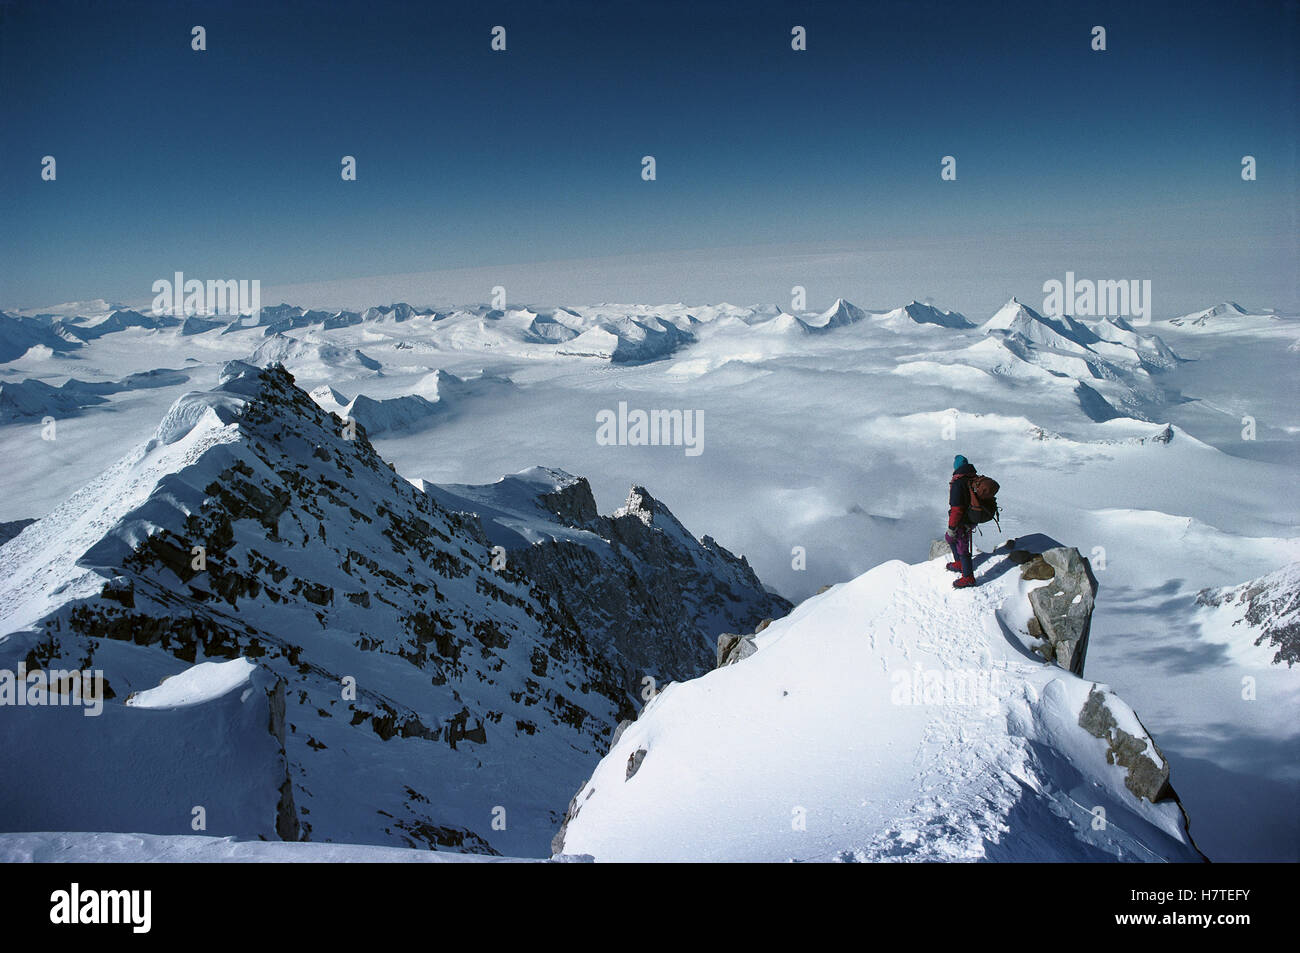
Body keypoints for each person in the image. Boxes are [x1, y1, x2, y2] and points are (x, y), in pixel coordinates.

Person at [946, 455, 978, 589]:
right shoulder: (973, 478)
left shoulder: (959, 483)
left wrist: (952, 527)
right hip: (972, 516)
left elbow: (956, 509)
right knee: (951, 539)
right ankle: (959, 563)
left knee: (961, 546)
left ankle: (968, 577)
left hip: (962, 520)